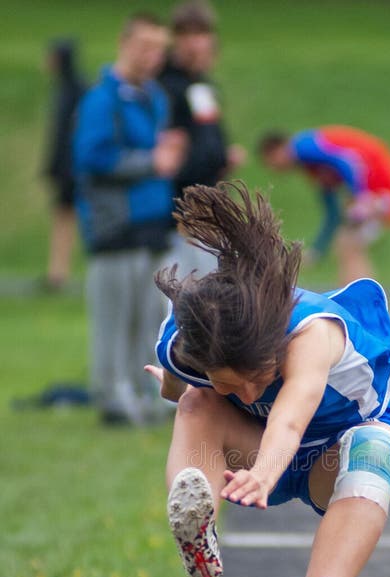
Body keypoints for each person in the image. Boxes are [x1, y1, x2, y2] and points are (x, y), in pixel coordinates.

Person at [145, 182, 390, 577]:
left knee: (375, 447)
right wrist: (179, 385)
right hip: (253, 449)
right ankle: (197, 523)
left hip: (334, 454)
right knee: (199, 403)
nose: (247, 395)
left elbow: (293, 411)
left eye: (257, 380)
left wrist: (266, 471)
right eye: (233, 384)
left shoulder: (313, 332)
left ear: (274, 348)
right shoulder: (197, 337)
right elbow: (183, 389)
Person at [73, 12, 187, 425]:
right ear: (125, 44)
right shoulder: (102, 99)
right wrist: (150, 161)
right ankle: (112, 396)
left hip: (151, 224)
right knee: (113, 317)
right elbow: (90, 158)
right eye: (145, 47)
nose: (152, 57)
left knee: (149, 316)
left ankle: (149, 390)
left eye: (159, 49)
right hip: (114, 225)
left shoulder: (155, 96)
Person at [158, 1, 246, 279]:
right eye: (187, 35)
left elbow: (207, 137)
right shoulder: (164, 87)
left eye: (202, 34)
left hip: (209, 208)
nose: (196, 44)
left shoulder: (203, 86)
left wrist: (222, 156)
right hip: (178, 215)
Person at [259, 125, 390, 285]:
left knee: (349, 245)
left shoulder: (302, 148)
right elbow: (332, 213)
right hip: (375, 188)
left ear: (277, 150)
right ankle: (357, 297)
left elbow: (346, 162)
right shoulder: (311, 168)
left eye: (270, 161)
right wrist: (317, 250)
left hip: (378, 183)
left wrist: (361, 198)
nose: (273, 168)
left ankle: (357, 300)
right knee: (349, 245)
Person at [41, 38, 87, 292]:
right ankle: (57, 270)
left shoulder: (74, 91)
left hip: (73, 169)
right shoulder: (66, 88)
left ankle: (61, 271)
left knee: (71, 218)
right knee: (63, 218)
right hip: (66, 168)